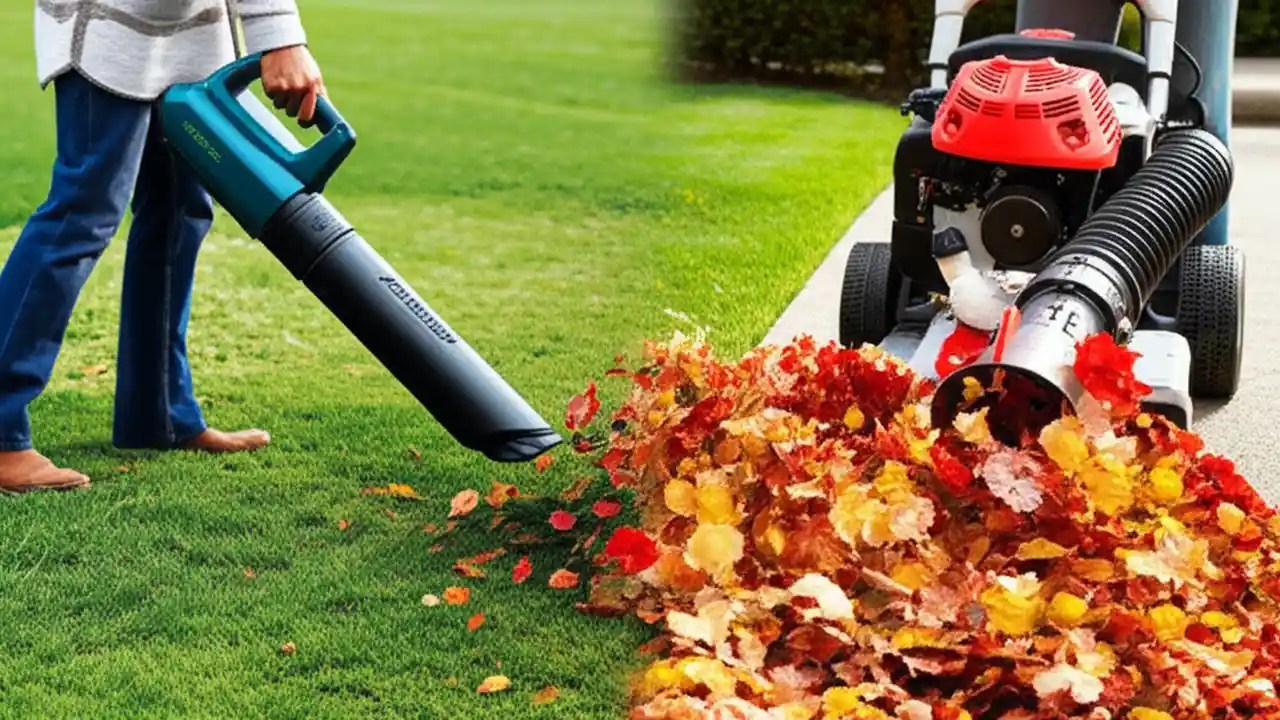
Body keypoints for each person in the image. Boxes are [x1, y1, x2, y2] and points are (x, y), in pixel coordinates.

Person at [0, 1, 327, 493]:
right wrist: (279, 33)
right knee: (84, 211)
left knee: (180, 212)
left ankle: (160, 413)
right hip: (112, 24)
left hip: (191, 34)